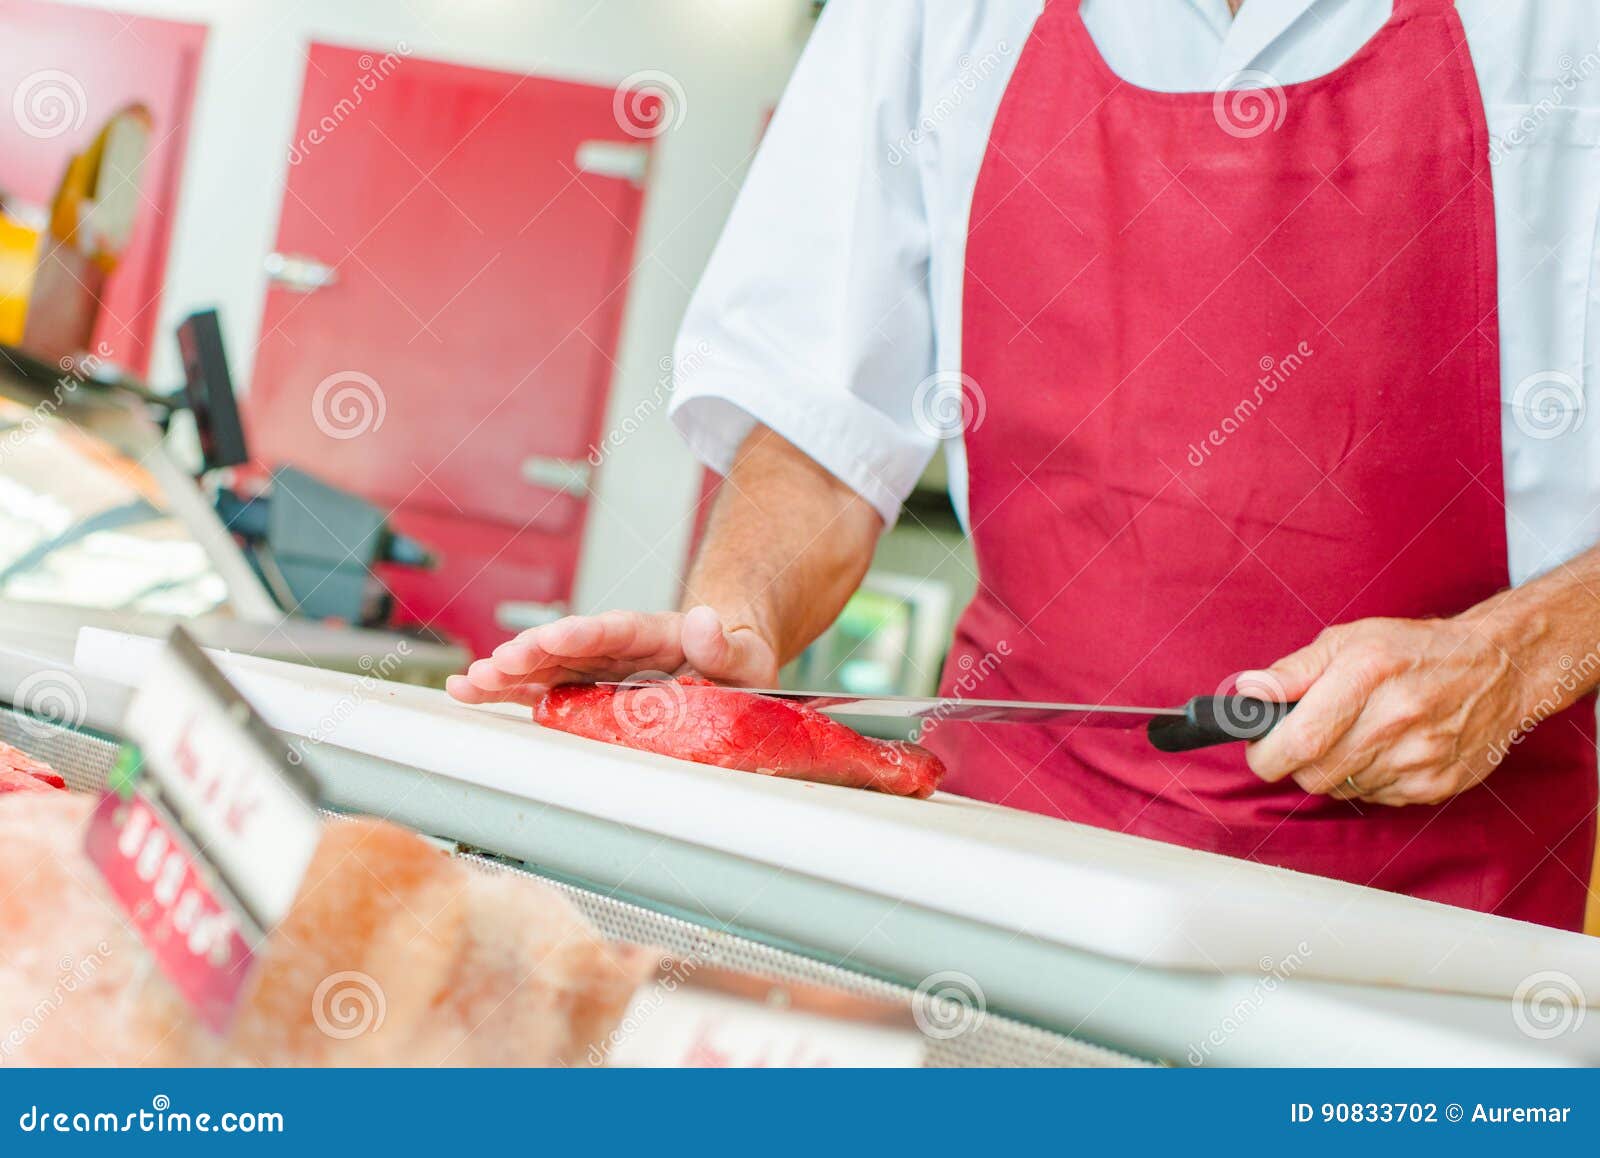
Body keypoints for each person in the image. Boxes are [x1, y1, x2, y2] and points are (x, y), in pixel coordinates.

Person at [452, 0, 1600, 931]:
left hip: (1439, 914)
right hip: (1002, 861)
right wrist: (735, 632)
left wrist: (1516, 656)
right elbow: (819, 418)